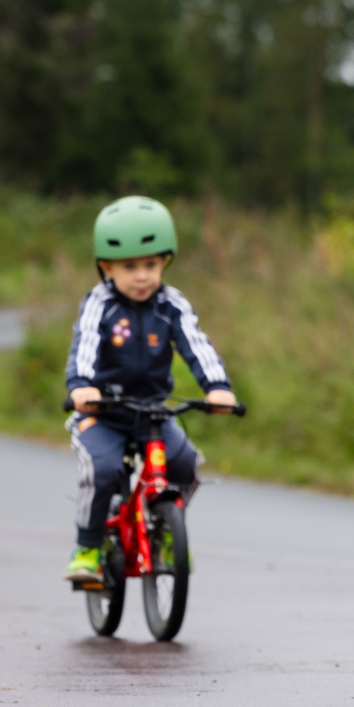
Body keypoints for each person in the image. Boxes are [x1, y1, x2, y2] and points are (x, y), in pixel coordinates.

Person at [62, 196, 238, 585]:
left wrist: (217, 387)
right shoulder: (100, 303)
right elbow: (85, 345)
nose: (142, 276)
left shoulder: (171, 304)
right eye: (129, 267)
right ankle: (88, 547)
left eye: (151, 265)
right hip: (102, 413)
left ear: (164, 263)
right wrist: (81, 387)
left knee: (184, 464)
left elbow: (196, 344)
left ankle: (167, 529)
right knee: (103, 469)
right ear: (106, 267)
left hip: (153, 412)